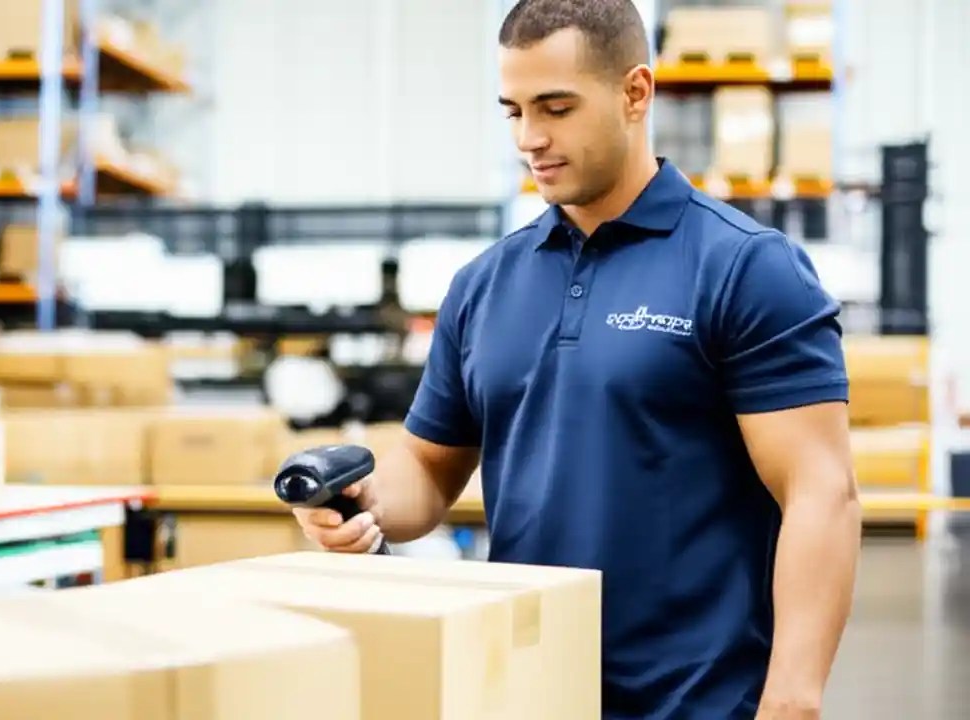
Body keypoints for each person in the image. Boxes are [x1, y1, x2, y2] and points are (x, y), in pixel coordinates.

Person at [291, 1, 862, 718]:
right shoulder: (483, 285)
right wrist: (364, 505)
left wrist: (792, 698)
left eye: (556, 108)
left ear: (635, 93)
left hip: (698, 702)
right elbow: (430, 468)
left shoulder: (745, 268)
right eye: (514, 111)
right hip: (525, 691)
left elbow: (820, 492)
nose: (530, 138)